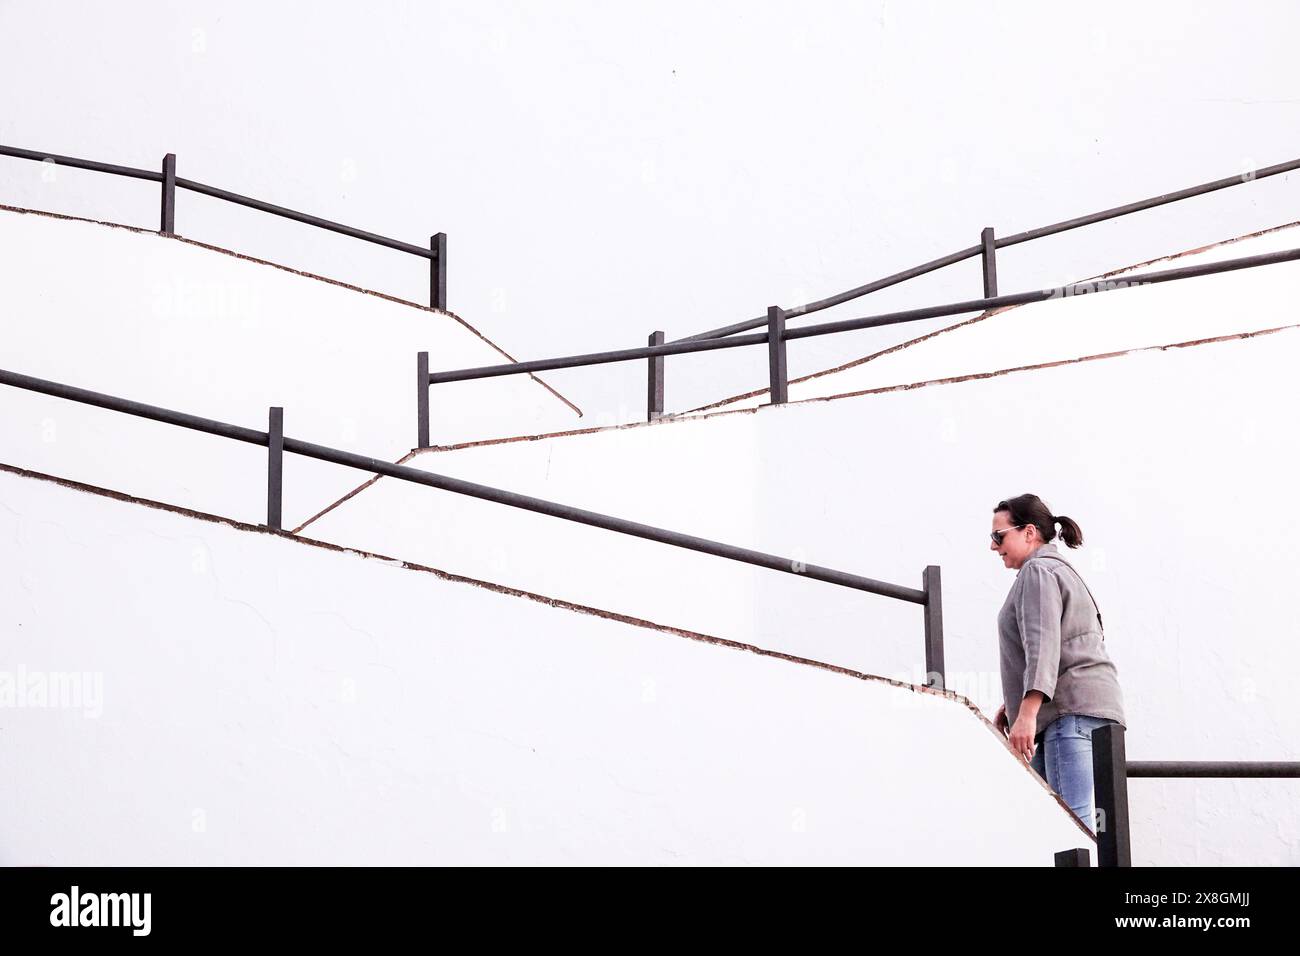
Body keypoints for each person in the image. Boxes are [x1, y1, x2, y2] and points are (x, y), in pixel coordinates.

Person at [989, 493, 1126, 835]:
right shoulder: (1058, 570)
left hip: (1068, 712)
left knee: (1068, 829)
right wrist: (1018, 704)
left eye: (999, 536)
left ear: (1029, 532)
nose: (994, 547)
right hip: (1085, 707)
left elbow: (1043, 644)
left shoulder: (1038, 570)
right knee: (1060, 827)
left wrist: (1028, 712)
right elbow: (1064, 642)